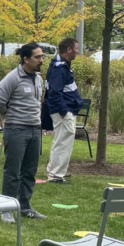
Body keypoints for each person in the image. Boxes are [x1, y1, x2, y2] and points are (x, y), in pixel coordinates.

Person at [0, 42, 47, 222]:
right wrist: (13, 115)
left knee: (30, 171)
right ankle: (6, 209)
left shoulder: (39, 78)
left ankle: (24, 207)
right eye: (37, 57)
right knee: (13, 171)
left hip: (35, 130)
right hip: (16, 129)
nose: (41, 60)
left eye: (42, 56)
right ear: (26, 59)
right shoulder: (12, 77)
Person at [42, 37, 83, 184]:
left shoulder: (62, 65)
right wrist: (63, 111)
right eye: (76, 49)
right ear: (69, 49)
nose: (78, 52)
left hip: (65, 109)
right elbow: (54, 92)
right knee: (62, 142)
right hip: (63, 110)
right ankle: (56, 175)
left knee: (62, 140)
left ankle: (58, 171)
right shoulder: (59, 68)